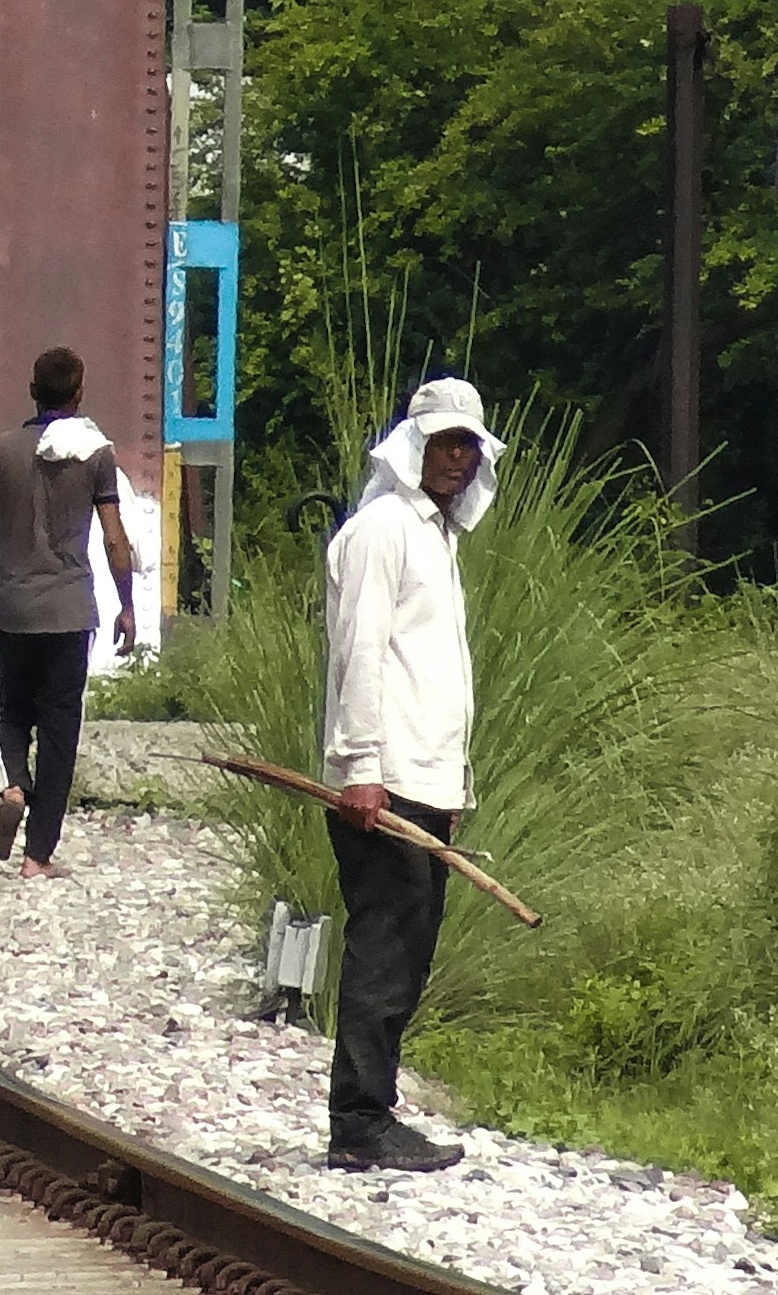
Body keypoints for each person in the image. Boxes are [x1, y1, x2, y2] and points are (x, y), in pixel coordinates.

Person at [320, 372, 502, 1173]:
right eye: (443, 442)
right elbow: (358, 652)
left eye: (467, 444)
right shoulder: (381, 529)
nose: (455, 458)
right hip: (383, 781)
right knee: (381, 952)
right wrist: (361, 766)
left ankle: (374, 1109)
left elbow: (435, 670)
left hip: (426, 783)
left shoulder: (437, 537)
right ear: (412, 446)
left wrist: (452, 786)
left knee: (409, 956)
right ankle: (358, 1121)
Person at [0, 347, 139, 873]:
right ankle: (37, 856)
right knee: (60, 733)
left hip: (14, 608)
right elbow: (114, 538)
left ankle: (15, 784)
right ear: (78, 393)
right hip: (70, 612)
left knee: (12, 711)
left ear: (32, 391)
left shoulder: (0, 451)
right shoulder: (96, 457)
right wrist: (127, 605)